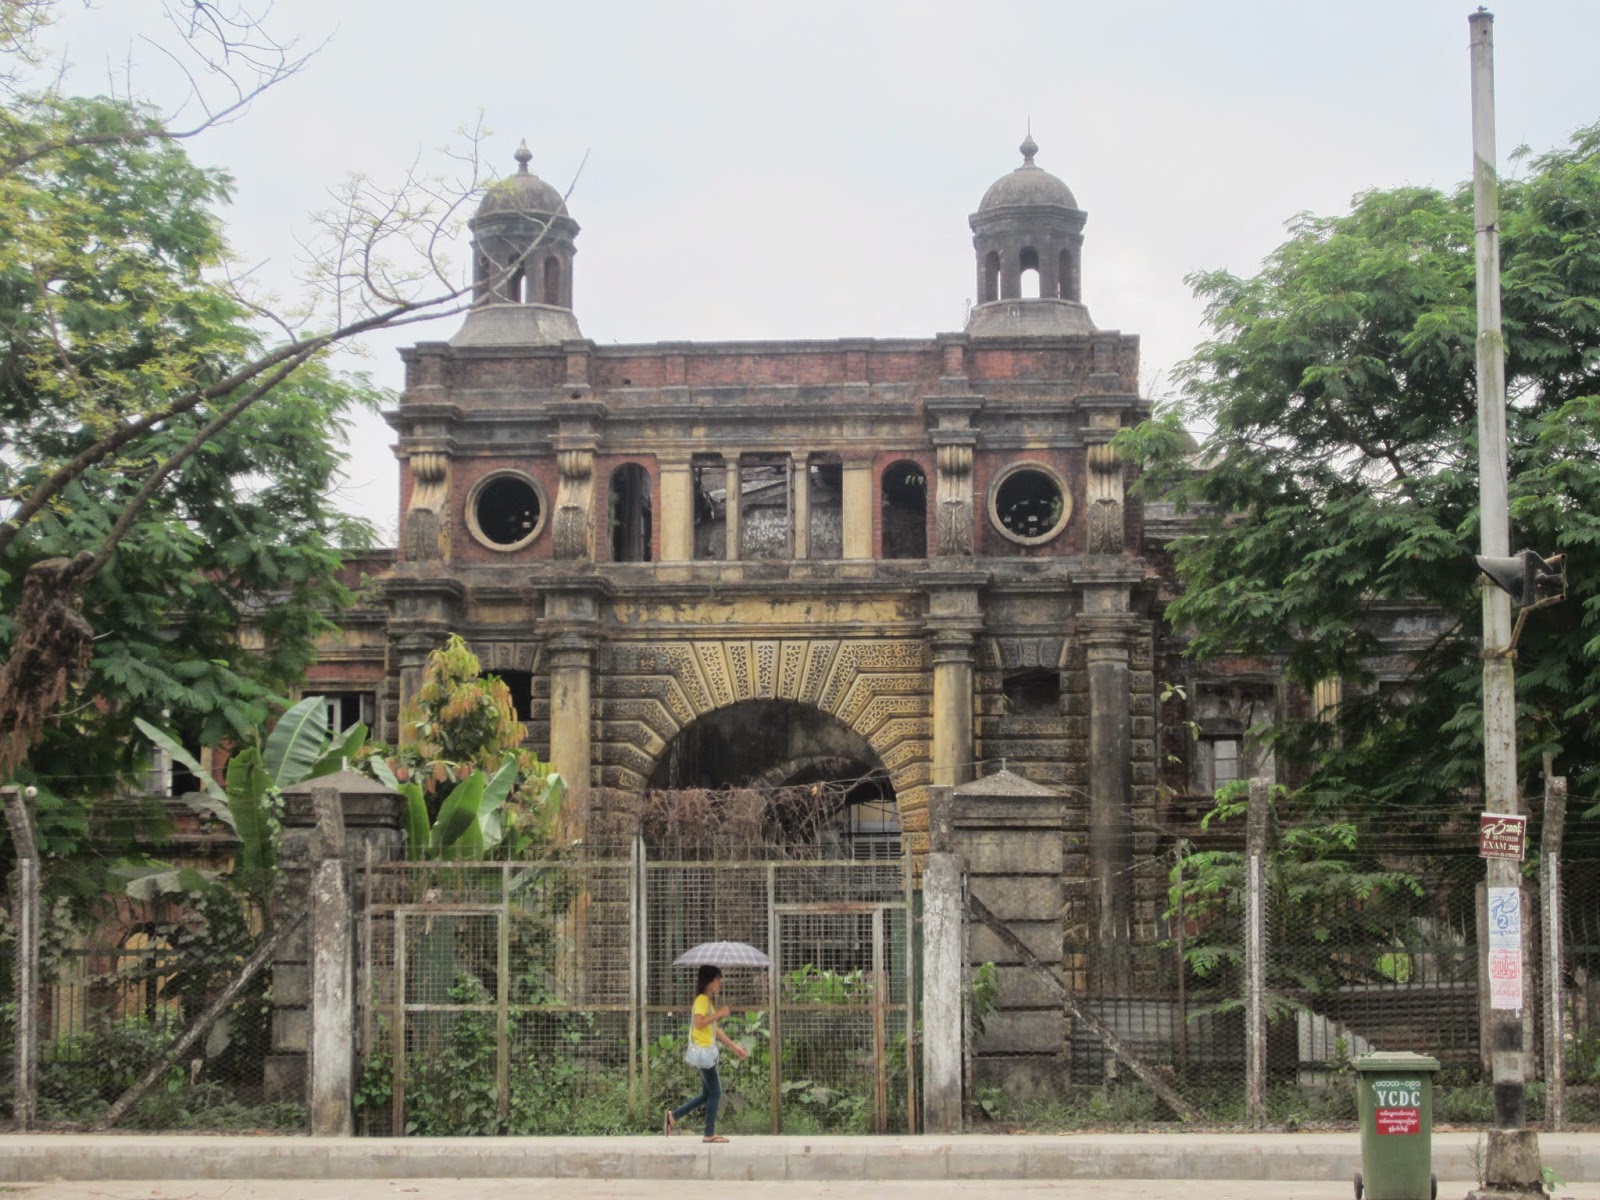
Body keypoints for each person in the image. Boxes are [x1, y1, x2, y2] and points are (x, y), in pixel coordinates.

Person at [664, 963, 747, 1142]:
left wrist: (735, 1048)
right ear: (709, 981)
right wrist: (720, 1014)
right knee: (716, 1092)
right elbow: (699, 1023)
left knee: (706, 1094)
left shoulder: (707, 1002)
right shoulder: (702, 1000)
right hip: (703, 1053)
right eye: (718, 979)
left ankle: (674, 1116)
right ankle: (709, 1133)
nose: (720, 983)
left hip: (707, 1052)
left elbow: (714, 1030)